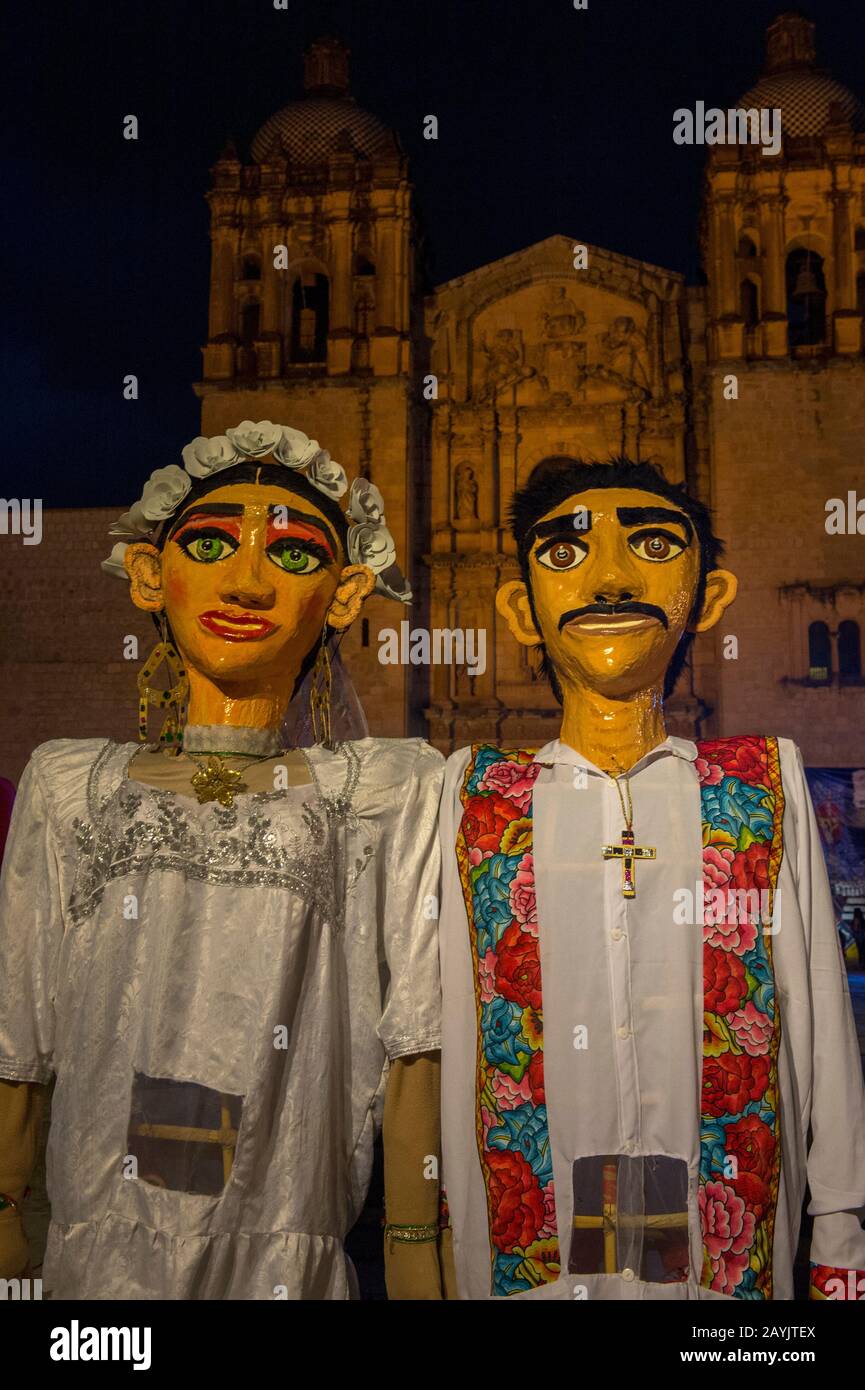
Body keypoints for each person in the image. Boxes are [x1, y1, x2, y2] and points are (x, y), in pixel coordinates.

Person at [0, 421, 449, 1300]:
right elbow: (20, 1021)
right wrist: (8, 1204)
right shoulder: (69, 785)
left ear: (344, 595)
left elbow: (414, 1034)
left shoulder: (388, 788)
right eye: (209, 546)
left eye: (293, 555)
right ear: (148, 575)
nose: (245, 582)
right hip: (101, 1253)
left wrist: (410, 1243)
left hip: (283, 1240)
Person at [438, 456, 865, 1301]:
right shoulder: (473, 794)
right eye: (564, 553)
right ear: (521, 608)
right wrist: (427, 1232)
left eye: (654, 546)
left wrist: (840, 1235)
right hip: (536, 1250)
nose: (608, 580)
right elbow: (444, 1022)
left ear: (707, 597)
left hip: (723, 1254)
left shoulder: (759, 784)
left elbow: (818, 1012)